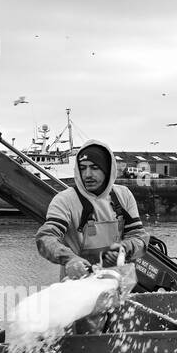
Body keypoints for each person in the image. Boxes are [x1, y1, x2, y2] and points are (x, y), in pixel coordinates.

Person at [35, 141, 149, 331]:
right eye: (83, 168)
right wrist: (70, 259)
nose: (88, 174)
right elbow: (46, 237)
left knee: (117, 339)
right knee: (82, 342)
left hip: (115, 285)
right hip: (78, 291)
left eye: (95, 168)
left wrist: (124, 249)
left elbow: (139, 236)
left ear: (108, 169)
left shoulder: (123, 196)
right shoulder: (64, 201)